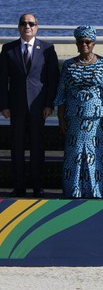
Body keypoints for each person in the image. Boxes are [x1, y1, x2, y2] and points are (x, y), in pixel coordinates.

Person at [53, 26, 103, 198]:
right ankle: (73, 191)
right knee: (73, 155)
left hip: (96, 120)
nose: (84, 44)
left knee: (94, 155)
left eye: (87, 42)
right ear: (76, 43)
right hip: (73, 118)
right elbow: (61, 93)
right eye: (80, 41)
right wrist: (60, 118)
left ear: (93, 43)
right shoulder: (68, 65)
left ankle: (94, 191)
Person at [0, 13, 59, 198]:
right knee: (16, 147)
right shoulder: (8, 49)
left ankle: (37, 185)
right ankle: (18, 186)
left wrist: (50, 104)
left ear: (37, 27)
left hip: (38, 107)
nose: (27, 26)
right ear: (18, 27)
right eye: (24, 23)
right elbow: (2, 80)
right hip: (15, 108)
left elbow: (52, 79)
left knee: (37, 146)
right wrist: (4, 105)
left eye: (31, 23)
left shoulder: (47, 49)